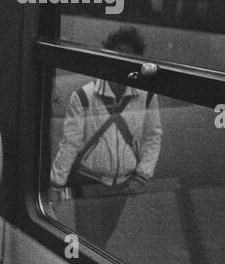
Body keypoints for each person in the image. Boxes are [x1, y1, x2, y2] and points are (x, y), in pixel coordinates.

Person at [48, 26, 163, 250]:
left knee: (102, 241)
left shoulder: (146, 96)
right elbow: (70, 144)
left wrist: (142, 175)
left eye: (130, 58)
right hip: (89, 182)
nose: (123, 62)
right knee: (91, 243)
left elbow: (153, 137)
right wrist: (56, 184)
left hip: (123, 185)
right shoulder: (84, 96)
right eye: (118, 55)